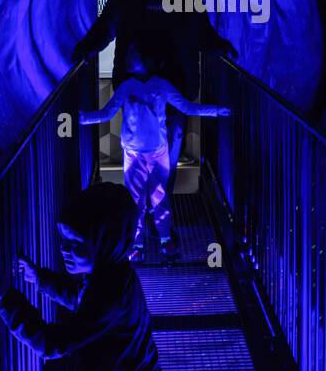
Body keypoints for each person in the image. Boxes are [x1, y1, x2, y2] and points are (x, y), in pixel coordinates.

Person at [0, 183, 168, 371]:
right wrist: (40, 278)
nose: (64, 249)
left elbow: (53, 343)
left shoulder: (109, 294)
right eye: (64, 239)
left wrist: (5, 301)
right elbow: (80, 298)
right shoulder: (115, 275)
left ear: (106, 243)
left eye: (77, 244)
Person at [72, 0, 237, 198]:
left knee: (164, 153)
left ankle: (156, 210)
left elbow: (203, 34)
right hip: (148, 89)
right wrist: (86, 48)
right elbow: (104, 30)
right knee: (149, 149)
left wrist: (220, 45)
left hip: (170, 87)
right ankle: (151, 212)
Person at [80, 45, 231, 261]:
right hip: (134, 152)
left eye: (134, 54)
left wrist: (215, 111)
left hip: (157, 150)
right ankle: (137, 244)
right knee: (135, 199)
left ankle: (164, 239)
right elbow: (107, 112)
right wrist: (84, 118)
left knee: (159, 195)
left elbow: (187, 107)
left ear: (146, 61)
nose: (129, 57)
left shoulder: (160, 85)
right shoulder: (127, 86)